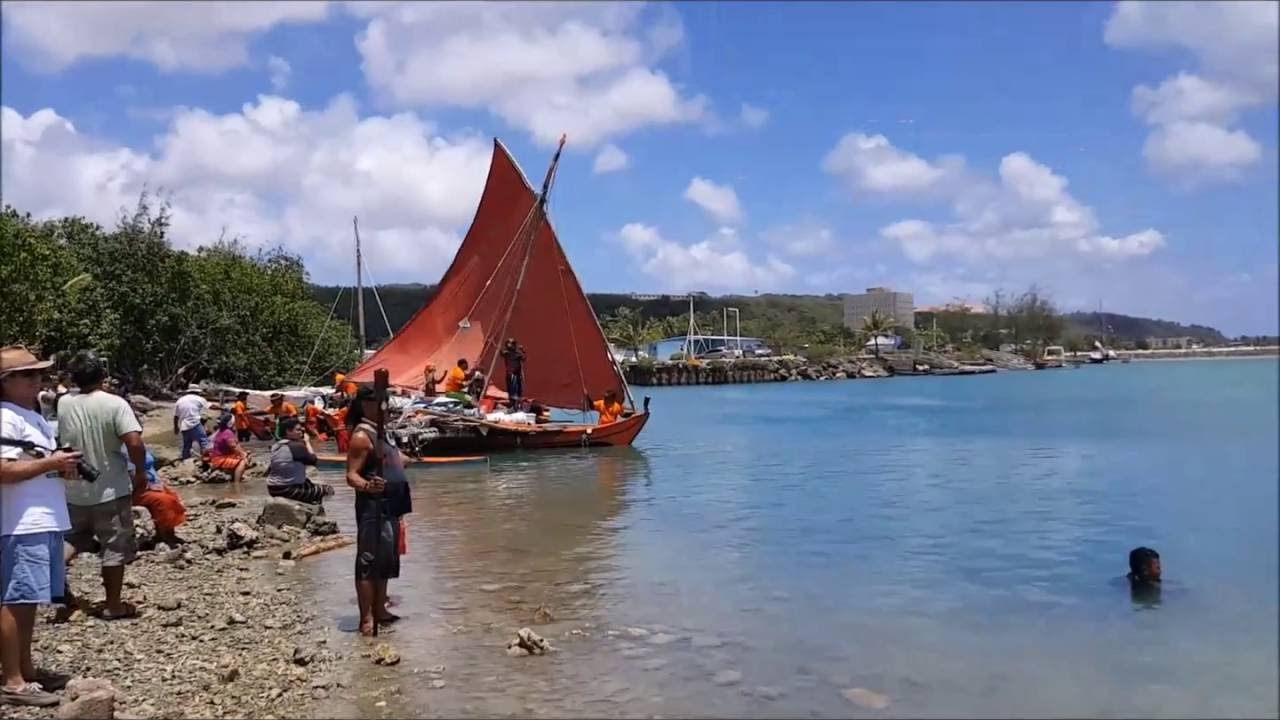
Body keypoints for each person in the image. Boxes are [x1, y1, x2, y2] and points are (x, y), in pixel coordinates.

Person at [0, 346, 76, 707]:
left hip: (43, 518)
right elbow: (3, 471)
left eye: (39, 374)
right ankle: (13, 681)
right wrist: (51, 464)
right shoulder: (5, 416)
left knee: (30, 599)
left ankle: (26, 671)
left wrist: (60, 466)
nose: (38, 381)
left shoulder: (33, 416)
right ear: (6, 382)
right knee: (17, 600)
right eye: (28, 375)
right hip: (21, 522)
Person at [55, 351, 147, 622]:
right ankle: (113, 604)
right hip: (111, 489)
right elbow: (134, 442)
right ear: (103, 376)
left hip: (73, 487)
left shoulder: (63, 403)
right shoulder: (115, 404)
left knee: (71, 539)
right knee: (114, 546)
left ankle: (58, 589)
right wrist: (140, 472)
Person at [345, 386, 411, 636]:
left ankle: (380, 609)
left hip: (392, 505)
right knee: (368, 561)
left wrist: (403, 460)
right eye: (380, 401)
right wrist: (367, 485)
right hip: (373, 507)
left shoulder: (382, 432)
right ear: (366, 404)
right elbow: (351, 475)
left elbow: (393, 458)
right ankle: (366, 617)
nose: (385, 405)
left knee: (386, 561)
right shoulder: (362, 436)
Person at [128, 446, 187, 548]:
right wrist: (148, 486)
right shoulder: (123, 451)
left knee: (171, 495)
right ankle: (165, 534)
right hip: (137, 490)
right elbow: (131, 476)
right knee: (164, 500)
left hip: (152, 484)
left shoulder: (140, 445)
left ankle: (167, 531)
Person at [266, 418, 333, 504]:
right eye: (298, 430)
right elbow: (313, 460)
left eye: (301, 430)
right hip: (286, 490)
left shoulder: (276, 445)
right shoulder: (296, 446)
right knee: (328, 490)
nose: (301, 432)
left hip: (272, 488)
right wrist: (307, 442)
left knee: (307, 482)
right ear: (288, 431)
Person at [206, 414, 249, 484]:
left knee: (247, 456)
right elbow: (233, 446)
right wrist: (243, 455)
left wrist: (243, 453)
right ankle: (237, 483)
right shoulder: (227, 432)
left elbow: (236, 445)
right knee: (243, 462)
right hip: (219, 459)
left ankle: (235, 474)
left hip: (219, 456)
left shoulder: (223, 431)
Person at [173, 385, 210, 460]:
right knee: (204, 442)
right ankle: (206, 460)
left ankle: (185, 460)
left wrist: (176, 427)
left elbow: (176, 416)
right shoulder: (199, 399)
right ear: (197, 392)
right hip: (195, 423)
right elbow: (210, 406)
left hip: (184, 426)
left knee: (186, 445)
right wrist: (223, 408)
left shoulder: (180, 400)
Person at [500, 339, 527, 410]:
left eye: (513, 344)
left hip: (517, 375)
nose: (512, 345)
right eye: (510, 344)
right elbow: (501, 352)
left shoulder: (517, 354)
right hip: (511, 374)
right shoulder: (506, 353)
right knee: (512, 391)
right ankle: (513, 406)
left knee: (517, 391)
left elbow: (524, 358)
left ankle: (516, 406)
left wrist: (522, 350)